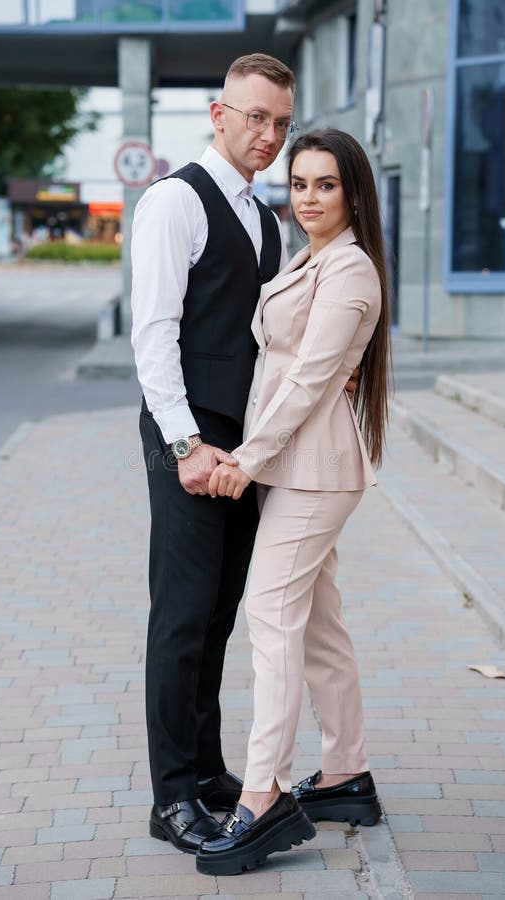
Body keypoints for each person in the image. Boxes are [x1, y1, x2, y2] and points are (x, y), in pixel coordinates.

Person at [131, 54, 361, 855]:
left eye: (280, 123)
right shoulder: (174, 201)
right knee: (183, 619)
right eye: (255, 117)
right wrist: (186, 442)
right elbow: (153, 333)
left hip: (250, 453)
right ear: (218, 112)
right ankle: (171, 797)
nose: (268, 136)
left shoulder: (267, 221)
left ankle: (207, 770)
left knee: (222, 616)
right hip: (192, 446)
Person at [195, 129, 390, 876]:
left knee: (271, 619)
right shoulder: (311, 257)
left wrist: (246, 460)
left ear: (353, 193)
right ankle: (346, 774)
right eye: (300, 184)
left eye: (325, 185)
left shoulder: (351, 273)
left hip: (312, 472)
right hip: (300, 466)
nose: (307, 198)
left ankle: (264, 793)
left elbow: (310, 379)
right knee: (318, 627)